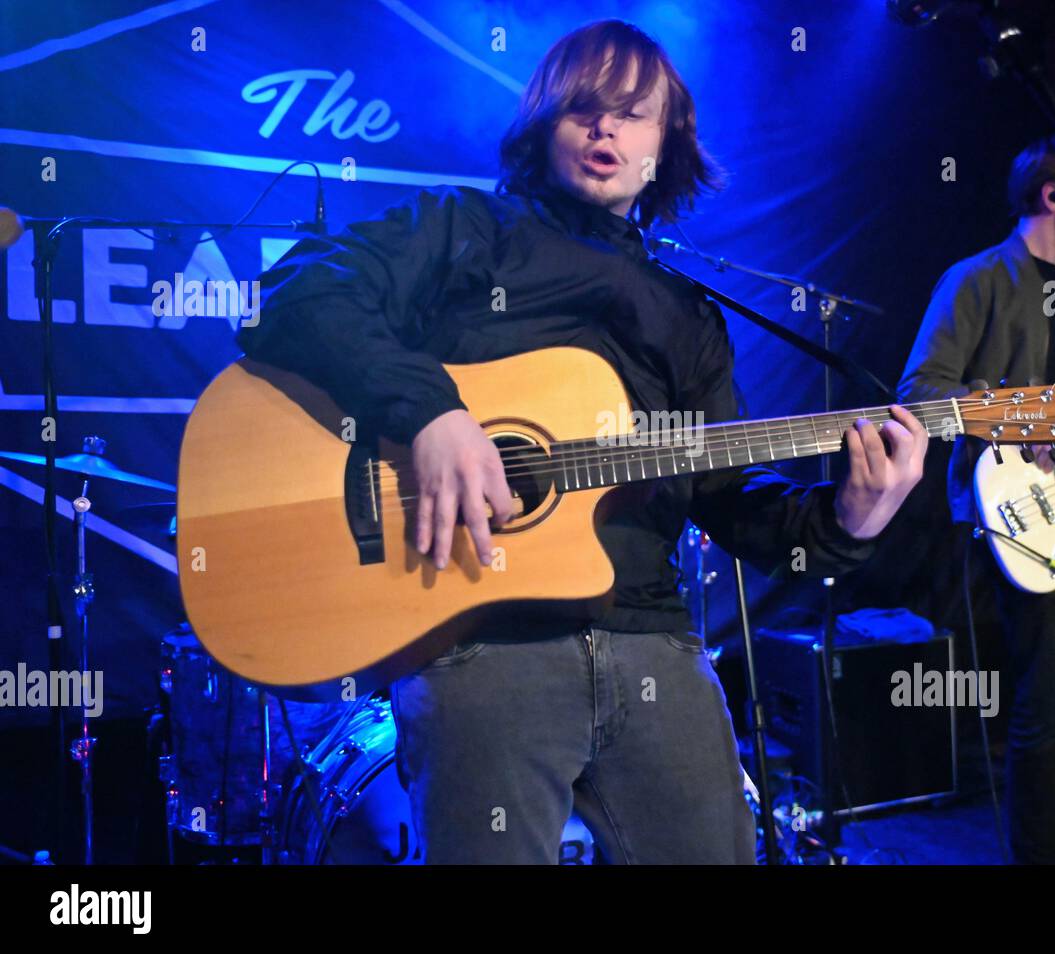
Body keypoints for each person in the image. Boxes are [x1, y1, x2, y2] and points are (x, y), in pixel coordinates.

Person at [237, 19, 927, 864]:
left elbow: (729, 500)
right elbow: (299, 289)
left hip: (652, 642)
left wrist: (850, 519)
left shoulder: (690, 314)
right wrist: (431, 415)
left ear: (665, 145)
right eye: (584, 109)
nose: (606, 129)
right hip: (478, 638)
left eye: (633, 114)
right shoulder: (462, 231)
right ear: (544, 124)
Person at [898, 135, 1055, 864]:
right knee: (1051, 707)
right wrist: (1027, 425)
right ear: (1054, 196)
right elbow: (920, 393)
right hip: (1027, 518)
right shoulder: (979, 279)